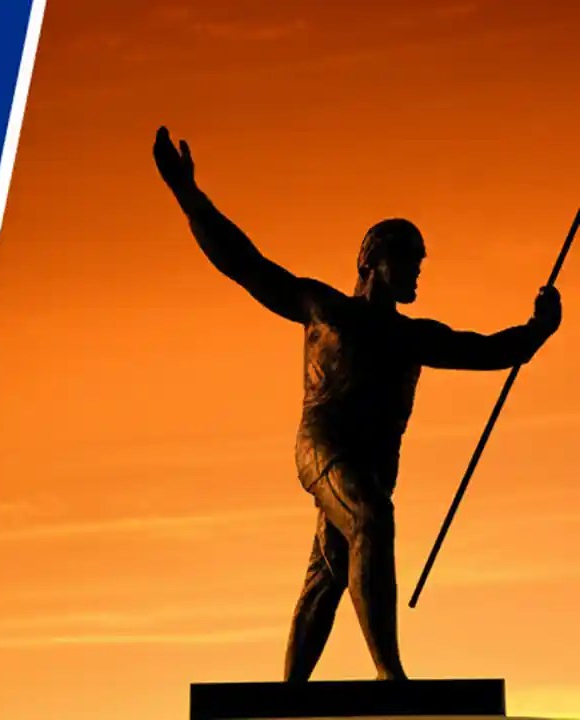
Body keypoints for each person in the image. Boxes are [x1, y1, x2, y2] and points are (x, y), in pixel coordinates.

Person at [151, 126, 563, 682]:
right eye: (408, 259)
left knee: (328, 570)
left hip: (370, 465)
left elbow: (490, 351)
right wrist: (187, 195)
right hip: (323, 446)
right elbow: (243, 262)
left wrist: (539, 330)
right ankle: (389, 672)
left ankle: (290, 692)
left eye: (421, 261)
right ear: (372, 260)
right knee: (371, 517)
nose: (419, 270)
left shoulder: (415, 336)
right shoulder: (324, 308)